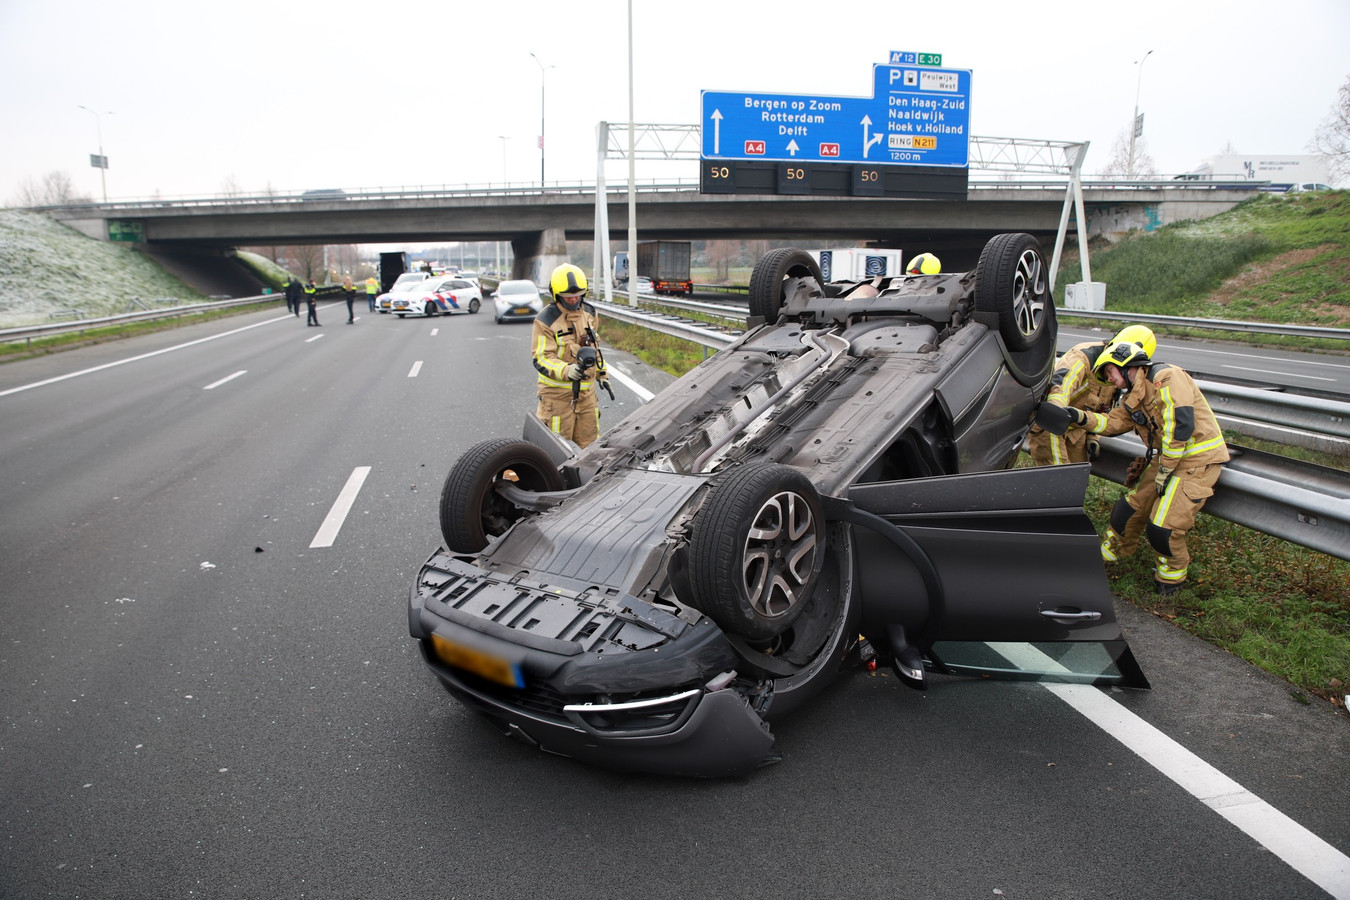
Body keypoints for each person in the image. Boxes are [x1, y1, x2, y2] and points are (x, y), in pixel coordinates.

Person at [1066, 339, 1229, 595]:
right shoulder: (1135, 396)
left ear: (1123, 362)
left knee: (1163, 527)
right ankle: (1105, 563)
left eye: (1110, 372)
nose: (1111, 381)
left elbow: (1180, 425)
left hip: (1197, 461)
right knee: (1127, 511)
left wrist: (1164, 470)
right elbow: (1113, 423)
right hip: (1168, 458)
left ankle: (1171, 581)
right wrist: (1079, 417)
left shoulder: (1166, 377)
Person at [1030, 325, 1156, 466]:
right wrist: (1055, 411)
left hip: (1077, 430)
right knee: (1059, 478)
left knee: (1077, 476)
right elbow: (1061, 386)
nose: (1110, 378)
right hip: (1050, 426)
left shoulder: (1121, 372)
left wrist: (1093, 436)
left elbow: (1103, 410)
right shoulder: (1082, 356)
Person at [532, 264, 611, 449]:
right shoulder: (546, 320)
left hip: (587, 398)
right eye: (568, 296)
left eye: (578, 294)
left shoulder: (589, 313)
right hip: (557, 400)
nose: (574, 299)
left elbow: (594, 348)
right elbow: (541, 357)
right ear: (557, 294)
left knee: (590, 448)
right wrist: (567, 370)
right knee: (556, 452)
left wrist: (602, 374)